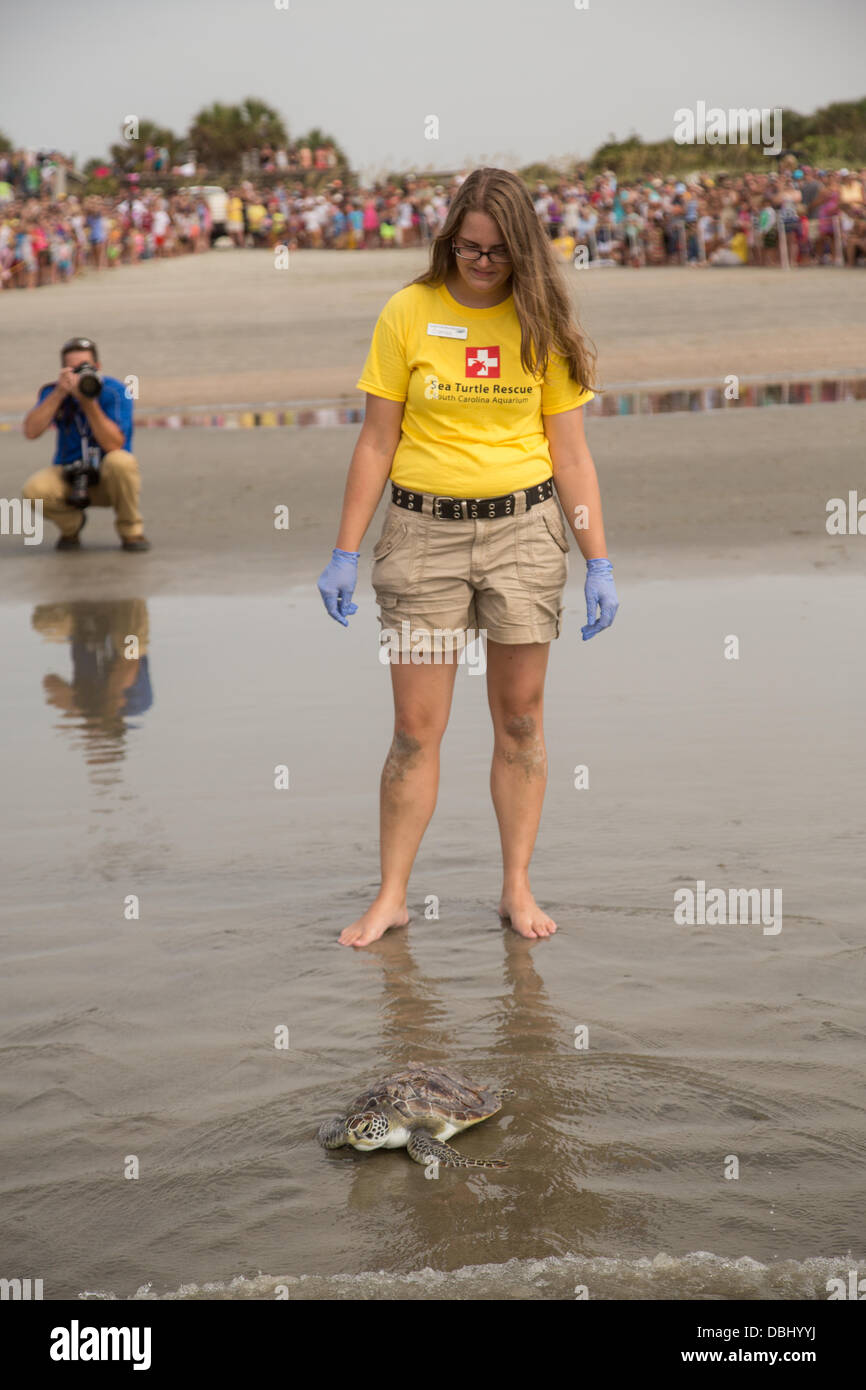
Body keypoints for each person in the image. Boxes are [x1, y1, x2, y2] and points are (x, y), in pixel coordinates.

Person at [317, 166, 618, 949]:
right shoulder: (407, 312)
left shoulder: (539, 321)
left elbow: (572, 455)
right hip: (421, 539)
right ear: (449, 238)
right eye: (466, 247)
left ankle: (516, 887)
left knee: (520, 720)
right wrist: (344, 551)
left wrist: (600, 561)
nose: (480, 263)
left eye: (496, 251)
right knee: (416, 729)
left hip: (525, 535)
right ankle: (391, 896)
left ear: (523, 250)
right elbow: (377, 439)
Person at [21, 336, 151, 551]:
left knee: (122, 462)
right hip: (69, 474)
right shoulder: (53, 392)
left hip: (110, 479)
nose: (80, 374)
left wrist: (88, 403)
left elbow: (114, 445)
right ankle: (72, 526)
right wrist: (60, 393)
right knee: (34, 490)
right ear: (63, 371)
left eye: (84, 367)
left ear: (98, 367)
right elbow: (31, 431)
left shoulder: (114, 391)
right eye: (72, 369)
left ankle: (131, 532)